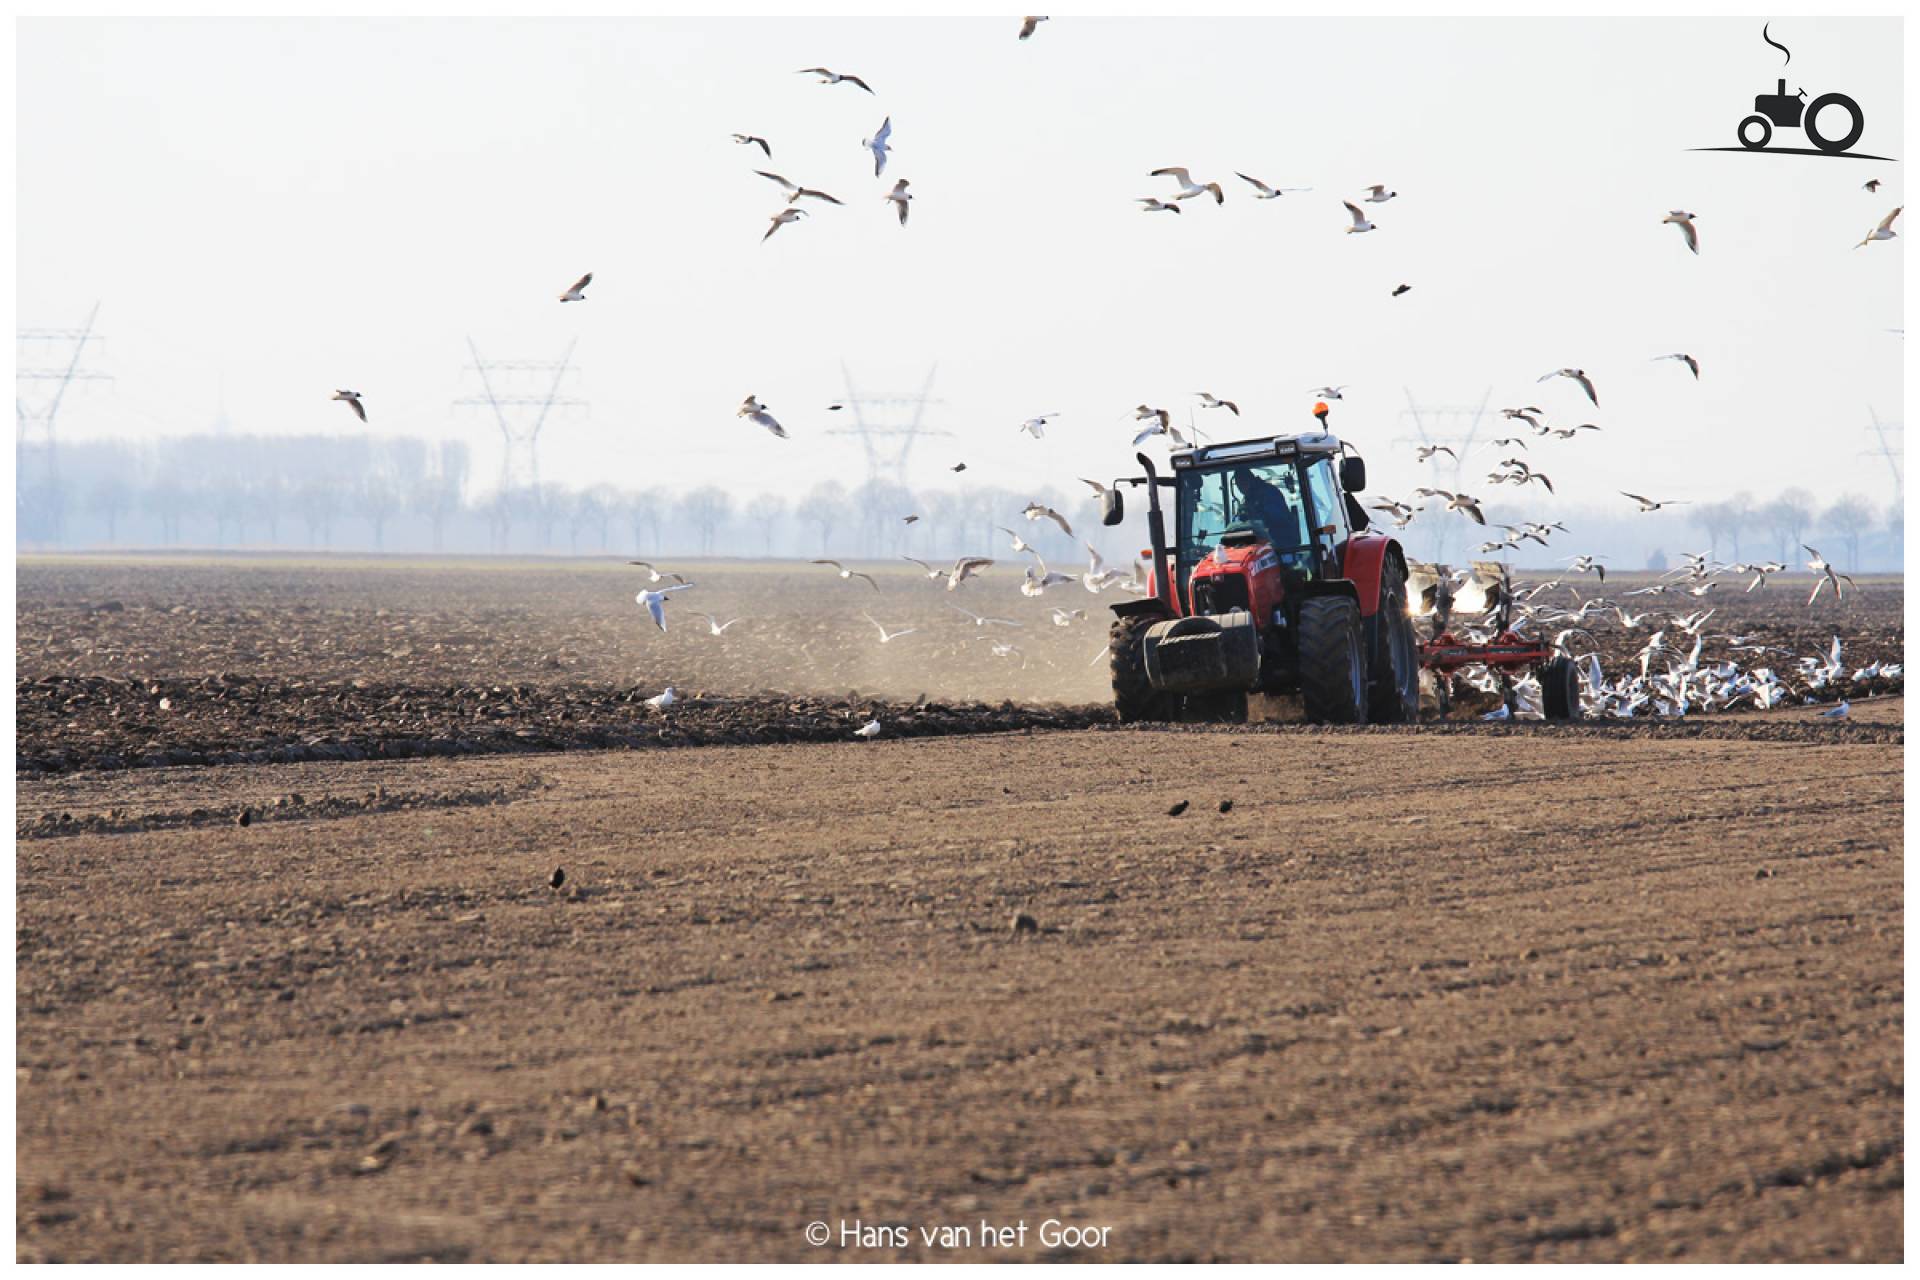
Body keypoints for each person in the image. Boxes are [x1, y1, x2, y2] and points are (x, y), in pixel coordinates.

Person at [1232, 467, 1297, 544]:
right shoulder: (1248, 498)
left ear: (1249, 479)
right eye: (1237, 484)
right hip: (1260, 545)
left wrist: (1254, 515)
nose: (1240, 487)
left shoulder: (1268, 492)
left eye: (1242, 482)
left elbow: (1277, 518)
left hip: (1281, 544)